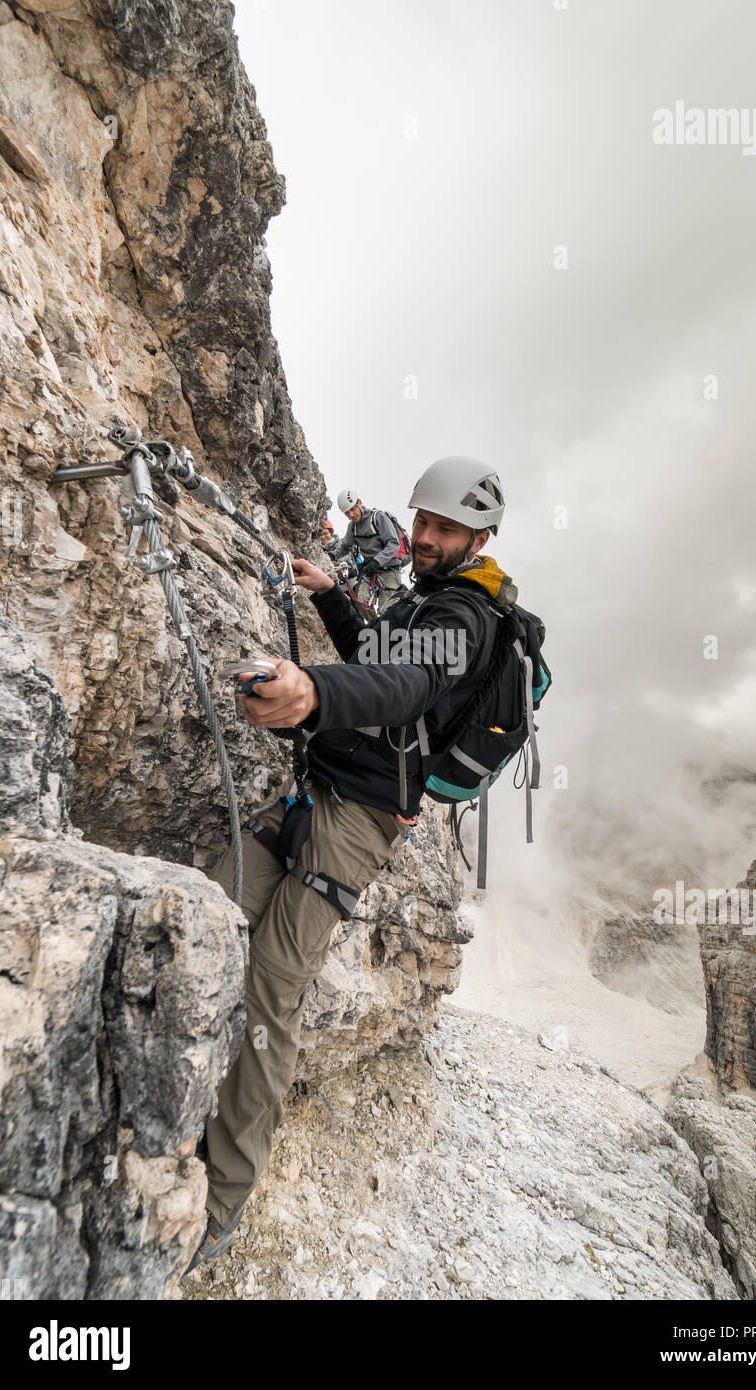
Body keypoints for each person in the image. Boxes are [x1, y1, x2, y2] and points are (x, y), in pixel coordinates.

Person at [185, 457, 511, 1273]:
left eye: (443, 529)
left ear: (479, 537)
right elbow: (378, 649)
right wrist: (329, 592)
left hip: (357, 825)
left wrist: (315, 695)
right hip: (315, 791)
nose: (426, 538)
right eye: (422, 523)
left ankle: (223, 1195)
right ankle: (179, 1097)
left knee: (272, 981)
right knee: (206, 904)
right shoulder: (426, 599)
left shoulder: (466, 619)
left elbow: (404, 683)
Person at [331, 489, 408, 613]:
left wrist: (376, 562)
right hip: (370, 571)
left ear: (359, 503)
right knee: (361, 603)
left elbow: (393, 544)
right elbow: (346, 547)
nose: (351, 515)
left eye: (352, 509)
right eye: (346, 513)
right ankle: (375, 628)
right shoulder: (353, 527)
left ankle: (386, 628)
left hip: (389, 570)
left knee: (386, 610)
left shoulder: (378, 518)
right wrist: (331, 555)